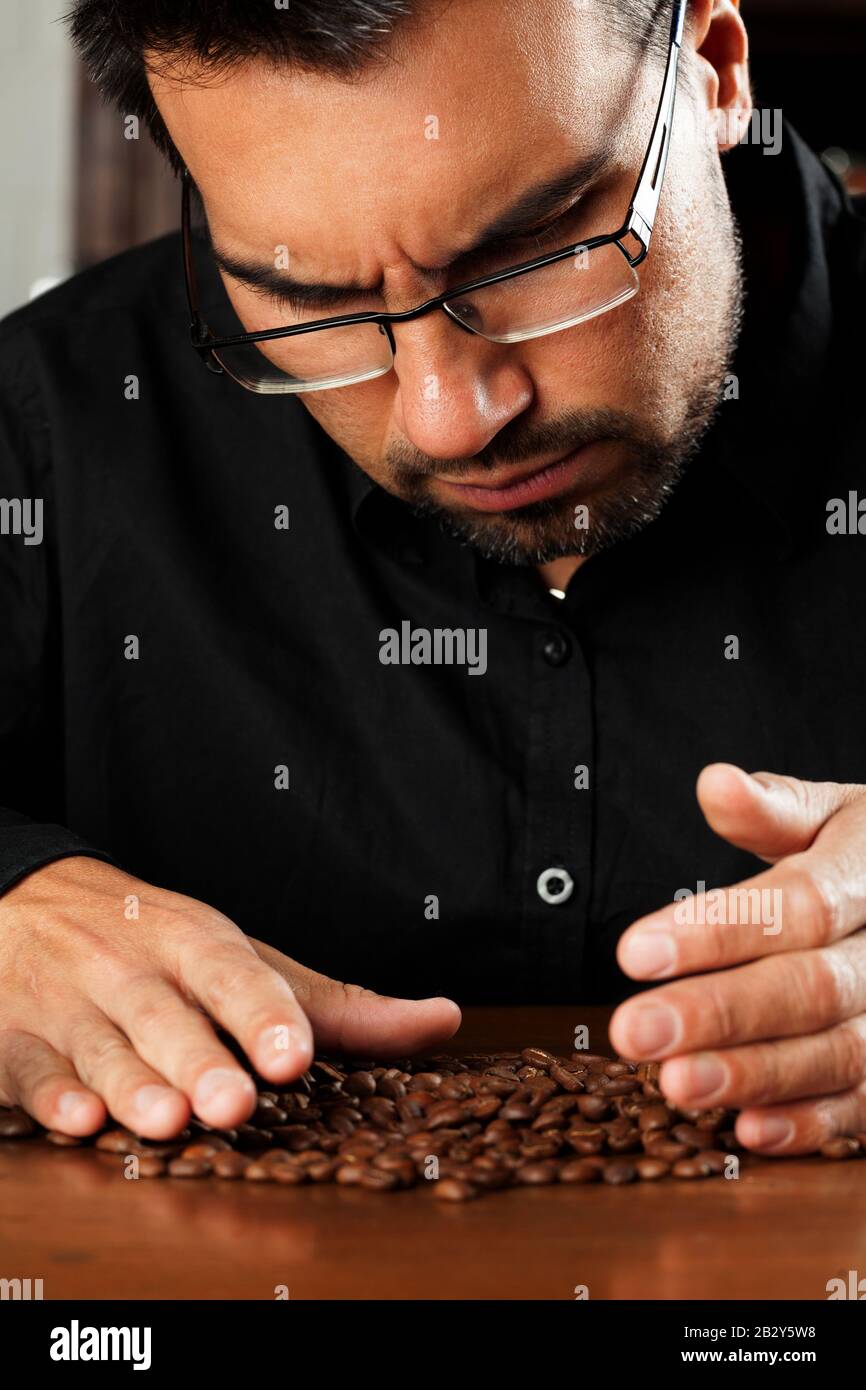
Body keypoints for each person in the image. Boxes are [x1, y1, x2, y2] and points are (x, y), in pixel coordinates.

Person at [1, 0, 864, 1156]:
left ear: (709, 69)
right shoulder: (50, 420)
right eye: (307, 303)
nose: (449, 419)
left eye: (534, 248)